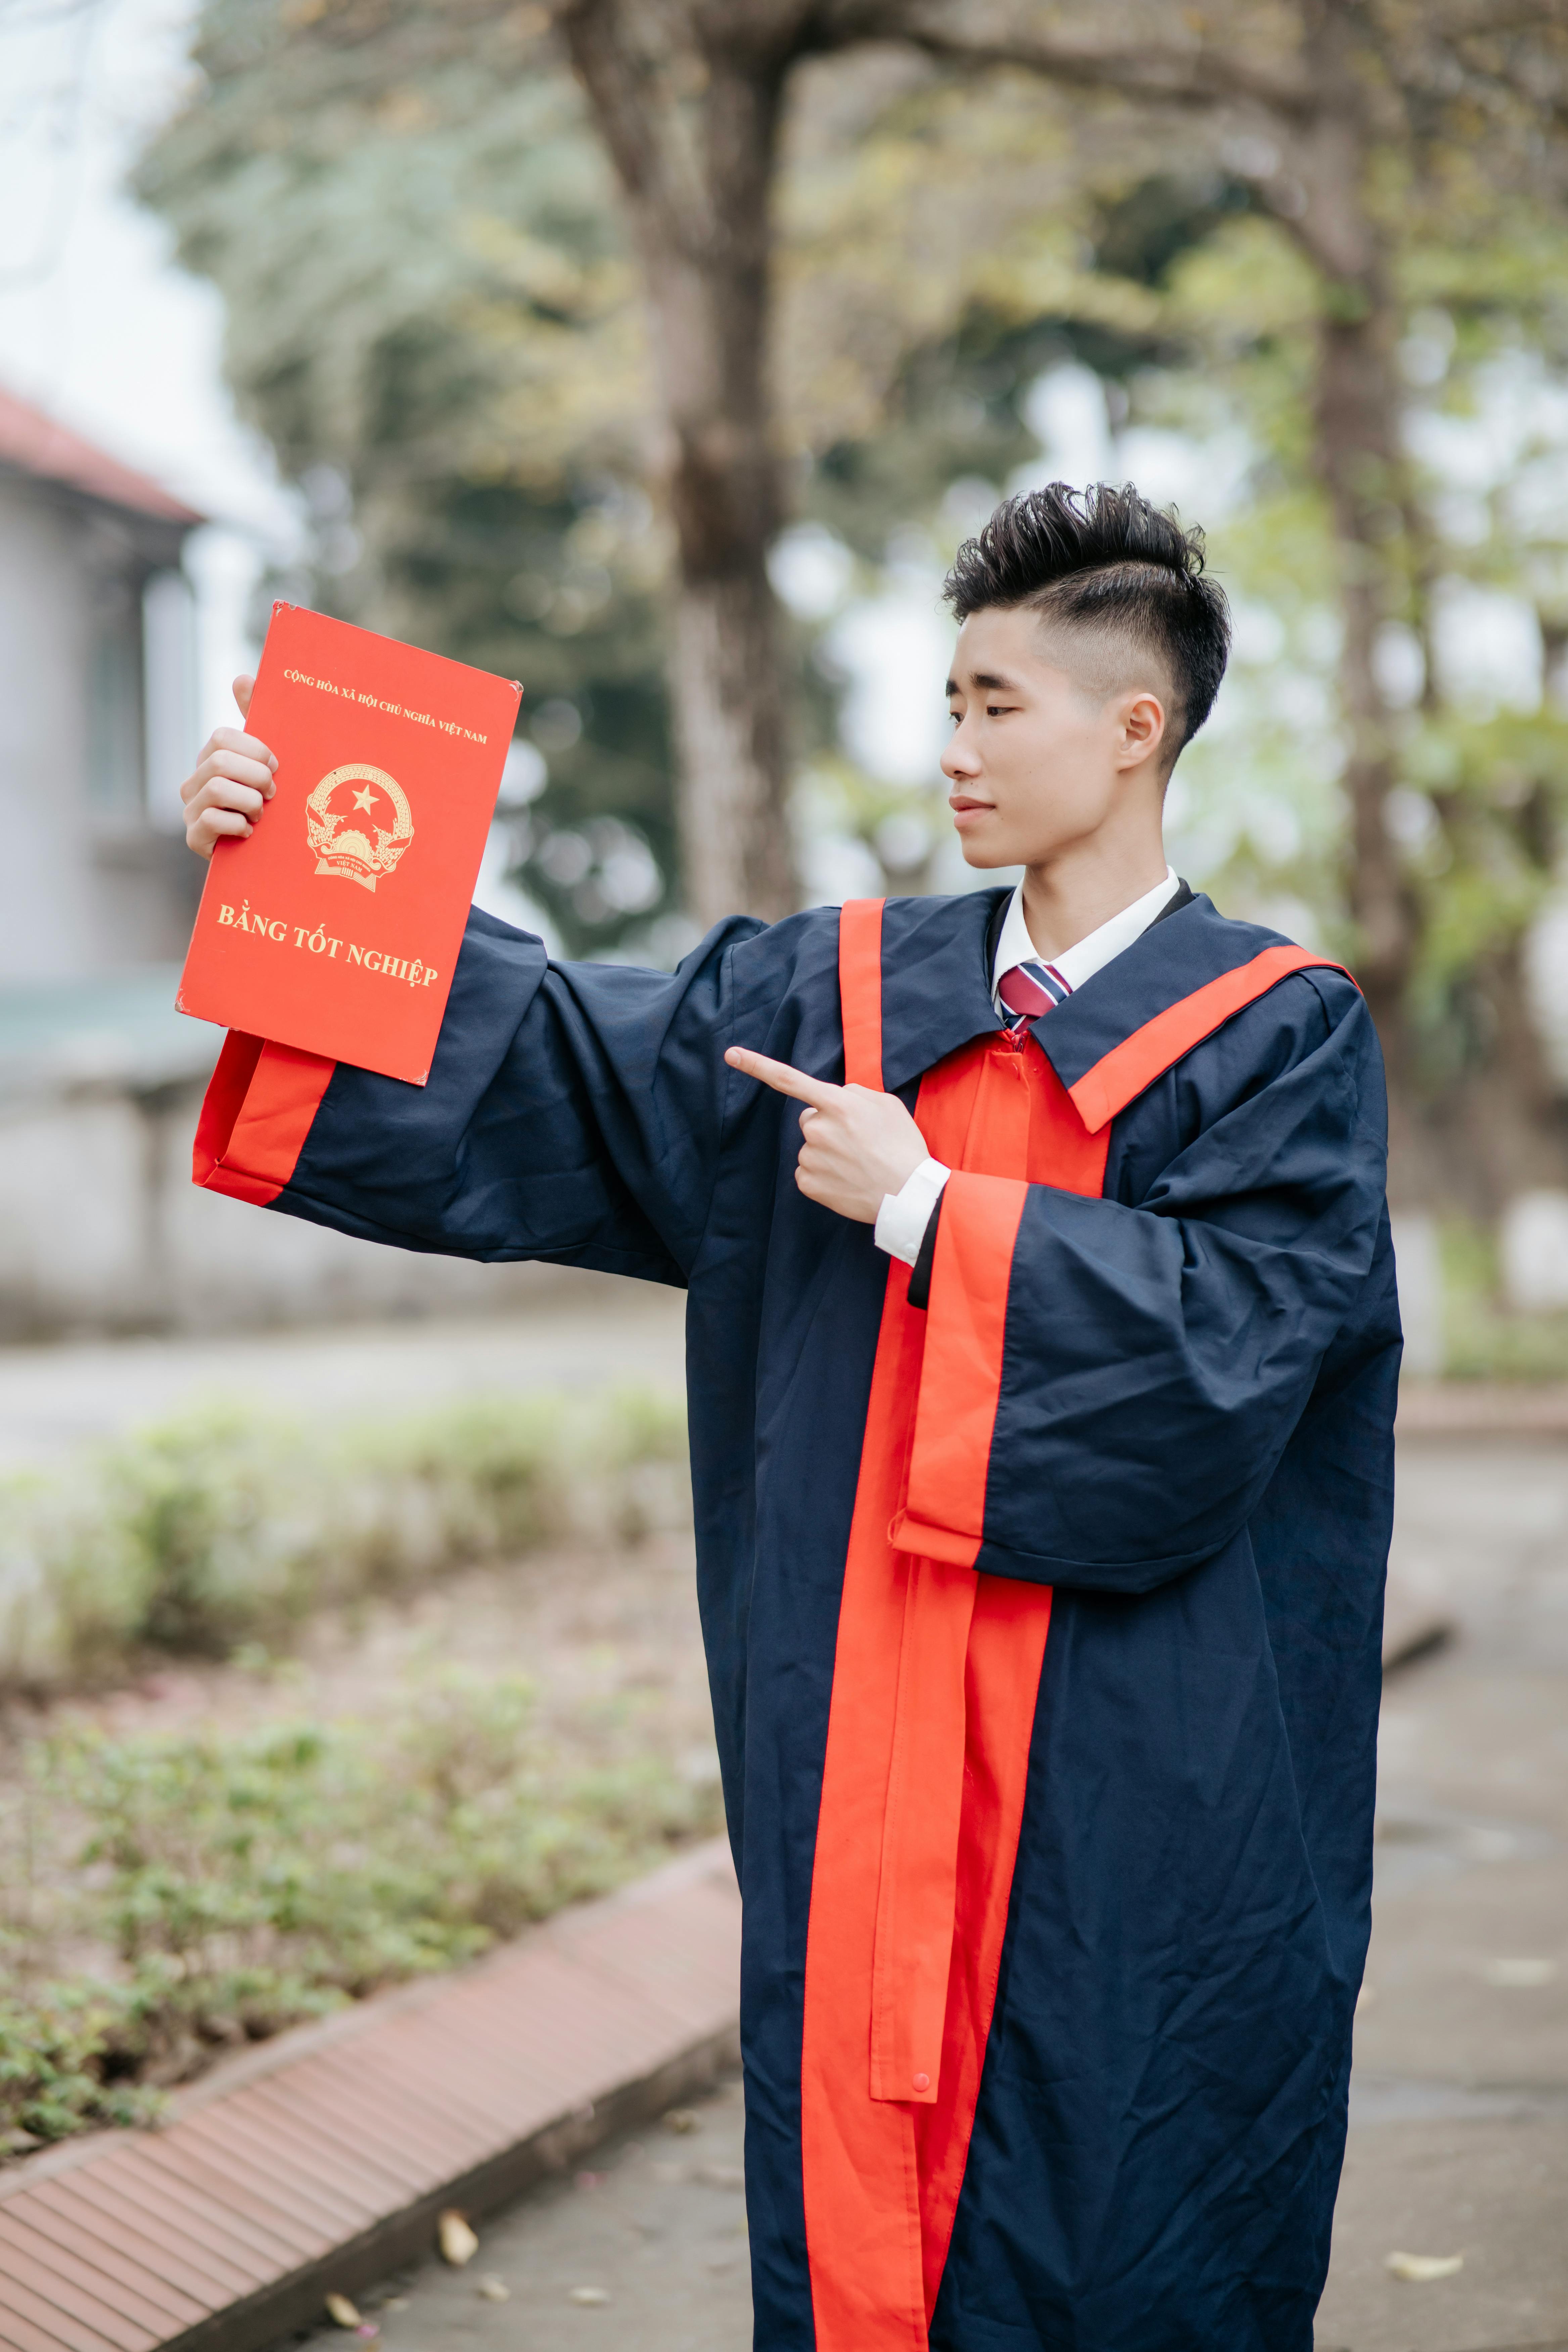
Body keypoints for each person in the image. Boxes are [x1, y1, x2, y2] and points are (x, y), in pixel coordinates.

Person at [179, 483, 1398, 2352]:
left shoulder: (1272, 1040)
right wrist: (301, 882)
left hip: (1131, 1789)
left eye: (1002, 704)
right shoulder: (831, 1002)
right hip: (855, 1761)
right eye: (952, 700)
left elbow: (1241, 1346)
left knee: (1125, 2195)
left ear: (1135, 726)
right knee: (854, 2224)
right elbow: (563, 1060)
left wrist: (933, 1212)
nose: (956, 748)